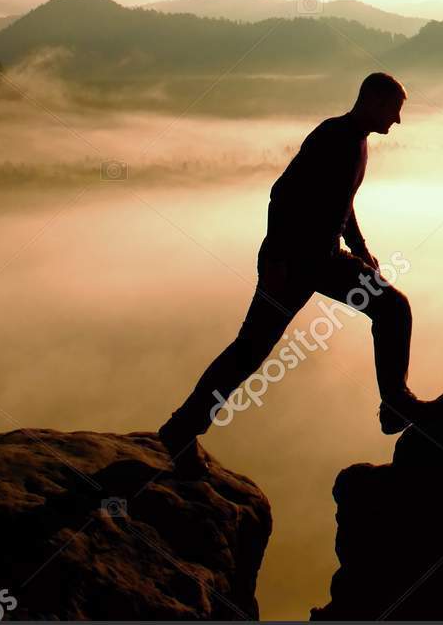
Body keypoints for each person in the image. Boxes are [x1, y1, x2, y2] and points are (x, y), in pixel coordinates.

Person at [159, 72, 425, 477]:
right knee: (250, 350)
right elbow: (282, 194)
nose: (398, 120)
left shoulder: (356, 141)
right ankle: (181, 429)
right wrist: (277, 262)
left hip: (323, 259)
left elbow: (343, 201)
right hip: (294, 262)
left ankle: (395, 403)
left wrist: (359, 247)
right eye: (394, 110)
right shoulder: (333, 137)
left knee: (392, 308)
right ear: (372, 102)